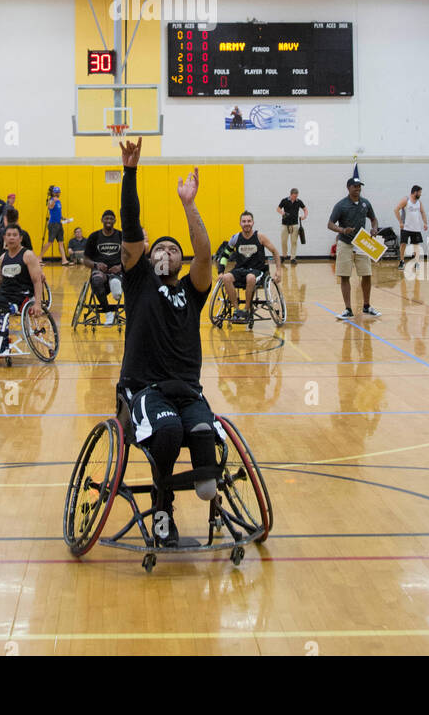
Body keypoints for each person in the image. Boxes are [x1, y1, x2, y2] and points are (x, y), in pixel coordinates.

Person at [116, 136, 214, 549]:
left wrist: (188, 204)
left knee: (206, 449)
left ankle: (205, 494)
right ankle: (163, 505)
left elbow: (205, 253)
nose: (168, 252)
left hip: (187, 390)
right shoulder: (139, 281)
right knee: (170, 431)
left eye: (174, 249)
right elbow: (131, 225)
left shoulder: (193, 289)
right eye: (161, 247)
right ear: (148, 256)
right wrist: (131, 172)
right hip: (144, 389)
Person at [327, 177, 381, 321]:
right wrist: (343, 230)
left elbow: (373, 219)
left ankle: (367, 306)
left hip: (362, 243)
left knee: (367, 274)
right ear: (348, 188)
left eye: (359, 186)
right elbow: (330, 224)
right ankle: (348, 309)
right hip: (345, 243)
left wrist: (374, 229)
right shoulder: (341, 205)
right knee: (345, 276)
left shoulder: (365, 203)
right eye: (355, 186)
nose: (358, 189)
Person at [0, 223, 45, 352]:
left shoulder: (27, 255)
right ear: (4, 238)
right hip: (5, 294)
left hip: (22, 295)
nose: (11, 238)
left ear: (20, 238)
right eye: (9, 235)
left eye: (15, 235)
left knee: (0, 305)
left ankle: (2, 340)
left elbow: (37, 281)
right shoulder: (2, 258)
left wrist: (38, 304)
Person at [219, 212, 281, 325]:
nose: (246, 223)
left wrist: (278, 270)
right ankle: (237, 310)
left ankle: (246, 309)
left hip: (257, 271)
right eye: (244, 221)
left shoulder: (260, 237)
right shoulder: (235, 238)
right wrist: (220, 271)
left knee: (250, 277)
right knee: (226, 278)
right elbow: (225, 255)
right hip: (240, 270)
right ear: (240, 223)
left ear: (252, 223)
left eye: (248, 221)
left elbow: (275, 251)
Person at [82, 210, 124, 324]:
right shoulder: (94, 236)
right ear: (102, 220)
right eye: (106, 218)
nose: (109, 221)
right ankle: (108, 313)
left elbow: (130, 256)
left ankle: (115, 283)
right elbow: (85, 260)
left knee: (117, 280)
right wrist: (96, 265)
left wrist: (120, 266)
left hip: (118, 271)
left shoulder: (121, 236)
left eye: (111, 218)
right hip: (101, 272)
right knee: (96, 279)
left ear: (115, 221)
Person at [0, 207, 32, 275]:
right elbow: (30, 255)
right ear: (17, 218)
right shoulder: (23, 234)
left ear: (6, 218)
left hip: (4, 269)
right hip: (20, 270)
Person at [395, 185, 427, 271]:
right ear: (415, 192)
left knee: (416, 245)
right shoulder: (406, 200)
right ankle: (402, 261)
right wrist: (400, 222)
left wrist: (425, 223)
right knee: (403, 244)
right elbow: (396, 210)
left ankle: (416, 263)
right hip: (405, 227)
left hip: (416, 228)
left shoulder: (419, 202)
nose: (420, 194)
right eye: (419, 192)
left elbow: (423, 212)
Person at [277, 188, 307, 262]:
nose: (295, 198)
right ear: (290, 195)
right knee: (284, 241)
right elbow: (278, 209)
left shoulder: (299, 201)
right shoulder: (284, 200)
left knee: (294, 242)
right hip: (285, 224)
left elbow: (305, 209)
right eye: (294, 196)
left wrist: (304, 216)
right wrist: (282, 213)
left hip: (295, 224)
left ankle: (293, 258)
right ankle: (284, 256)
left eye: (296, 196)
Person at [41, 186, 70, 265]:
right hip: (53, 224)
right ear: (53, 193)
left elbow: (58, 212)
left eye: (58, 192)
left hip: (59, 223)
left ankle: (64, 260)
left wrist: (64, 218)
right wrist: (53, 200)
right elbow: (50, 207)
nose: (57, 194)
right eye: (56, 192)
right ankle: (39, 258)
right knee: (50, 242)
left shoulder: (59, 201)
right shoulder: (52, 200)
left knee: (61, 242)